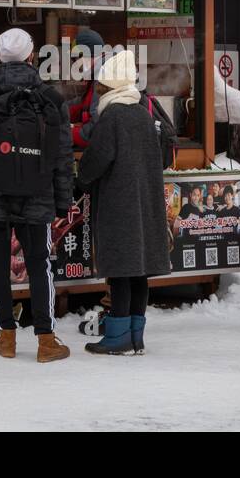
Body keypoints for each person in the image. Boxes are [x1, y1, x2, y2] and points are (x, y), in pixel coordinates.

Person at [0, 28, 74, 363]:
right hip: (38, 193)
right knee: (39, 265)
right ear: (32, 56)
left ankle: (5, 337)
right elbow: (63, 155)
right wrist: (63, 200)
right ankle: (46, 340)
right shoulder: (51, 99)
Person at [77, 50, 170, 355]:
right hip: (145, 203)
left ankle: (118, 336)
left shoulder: (113, 116)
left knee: (119, 271)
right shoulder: (143, 114)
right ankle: (136, 335)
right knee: (139, 271)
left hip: (119, 204)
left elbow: (95, 162)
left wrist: (80, 176)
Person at [68, 28, 105, 148]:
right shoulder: (99, 72)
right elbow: (84, 104)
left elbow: (94, 131)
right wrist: (57, 109)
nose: (75, 64)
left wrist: (65, 133)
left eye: (75, 59)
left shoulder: (104, 77)